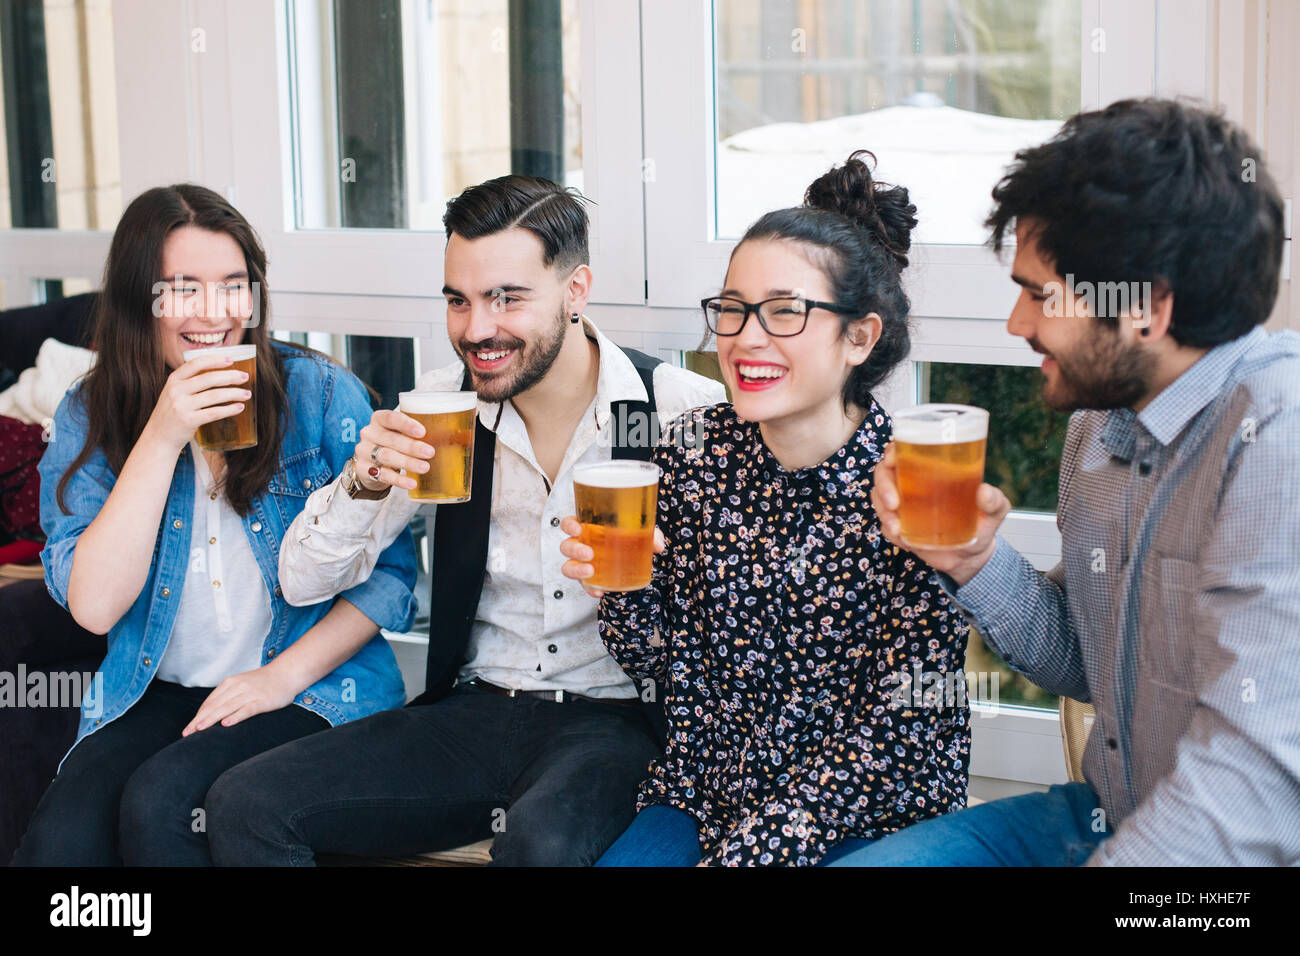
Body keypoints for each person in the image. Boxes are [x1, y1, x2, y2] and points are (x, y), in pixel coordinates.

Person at [830, 98, 1300, 867]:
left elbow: (1255, 789)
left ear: (1146, 308)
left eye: (1041, 294)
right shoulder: (1100, 423)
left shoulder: (1278, 435)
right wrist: (972, 562)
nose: (1017, 324)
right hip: (1109, 813)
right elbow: (1087, 659)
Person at [204, 175, 725, 866]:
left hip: (617, 718)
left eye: (507, 298)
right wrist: (361, 482)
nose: (477, 329)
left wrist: (665, 584)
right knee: (243, 807)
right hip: (474, 710)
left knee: (540, 846)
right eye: (459, 300)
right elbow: (301, 581)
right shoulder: (441, 406)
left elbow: (736, 629)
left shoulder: (678, 409)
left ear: (575, 291)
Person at [560, 152, 972, 866]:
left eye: (785, 312)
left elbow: (908, 730)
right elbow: (665, 671)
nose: (746, 338)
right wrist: (620, 596)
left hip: (867, 815)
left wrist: (757, 848)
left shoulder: (918, 486)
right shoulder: (691, 454)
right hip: (704, 794)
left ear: (859, 337)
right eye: (733, 310)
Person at [11, 184, 416, 866]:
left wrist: (278, 681)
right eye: (185, 288)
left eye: (234, 286)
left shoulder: (317, 394)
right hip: (156, 686)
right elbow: (94, 605)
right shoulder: (91, 412)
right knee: (61, 847)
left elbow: (392, 580)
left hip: (305, 686)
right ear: (143, 300)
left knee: (164, 806)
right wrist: (163, 434)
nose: (215, 313)